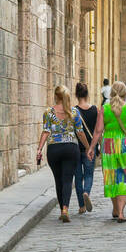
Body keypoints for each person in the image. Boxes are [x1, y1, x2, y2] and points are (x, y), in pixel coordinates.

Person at [86, 81, 126, 221]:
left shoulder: (105, 109)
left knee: (112, 176)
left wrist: (91, 147)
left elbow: (98, 131)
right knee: (125, 177)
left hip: (108, 146)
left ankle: (116, 208)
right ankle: (120, 212)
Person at [37, 86, 83, 223]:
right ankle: (65, 209)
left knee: (58, 180)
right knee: (68, 179)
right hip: (71, 148)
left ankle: (62, 209)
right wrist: (88, 147)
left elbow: (46, 131)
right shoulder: (74, 112)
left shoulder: (48, 112)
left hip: (54, 149)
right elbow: (80, 132)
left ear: (56, 96)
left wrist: (39, 149)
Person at [73, 82, 99, 215]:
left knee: (78, 176)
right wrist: (95, 147)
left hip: (76, 148)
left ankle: (81, 206)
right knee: (89, 174)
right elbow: (98, 130)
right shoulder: (95, 109)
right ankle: (86, 192)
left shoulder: (73, 111)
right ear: (87, 94)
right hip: (91, 148)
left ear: (76, 95)